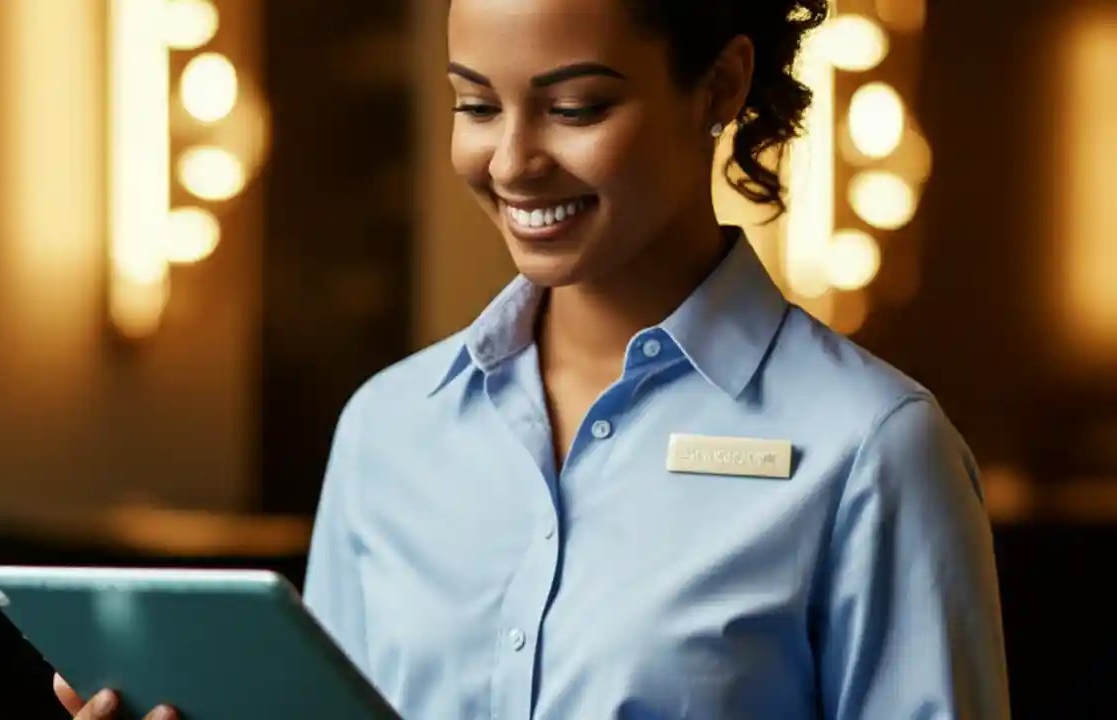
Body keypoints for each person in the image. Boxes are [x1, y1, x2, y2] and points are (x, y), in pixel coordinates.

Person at [57, 0, 1010, 717]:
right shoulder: (390, 429)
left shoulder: (871, 453)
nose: (511, 161)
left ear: (718, 85)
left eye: (576, 106)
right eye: (475, 104)